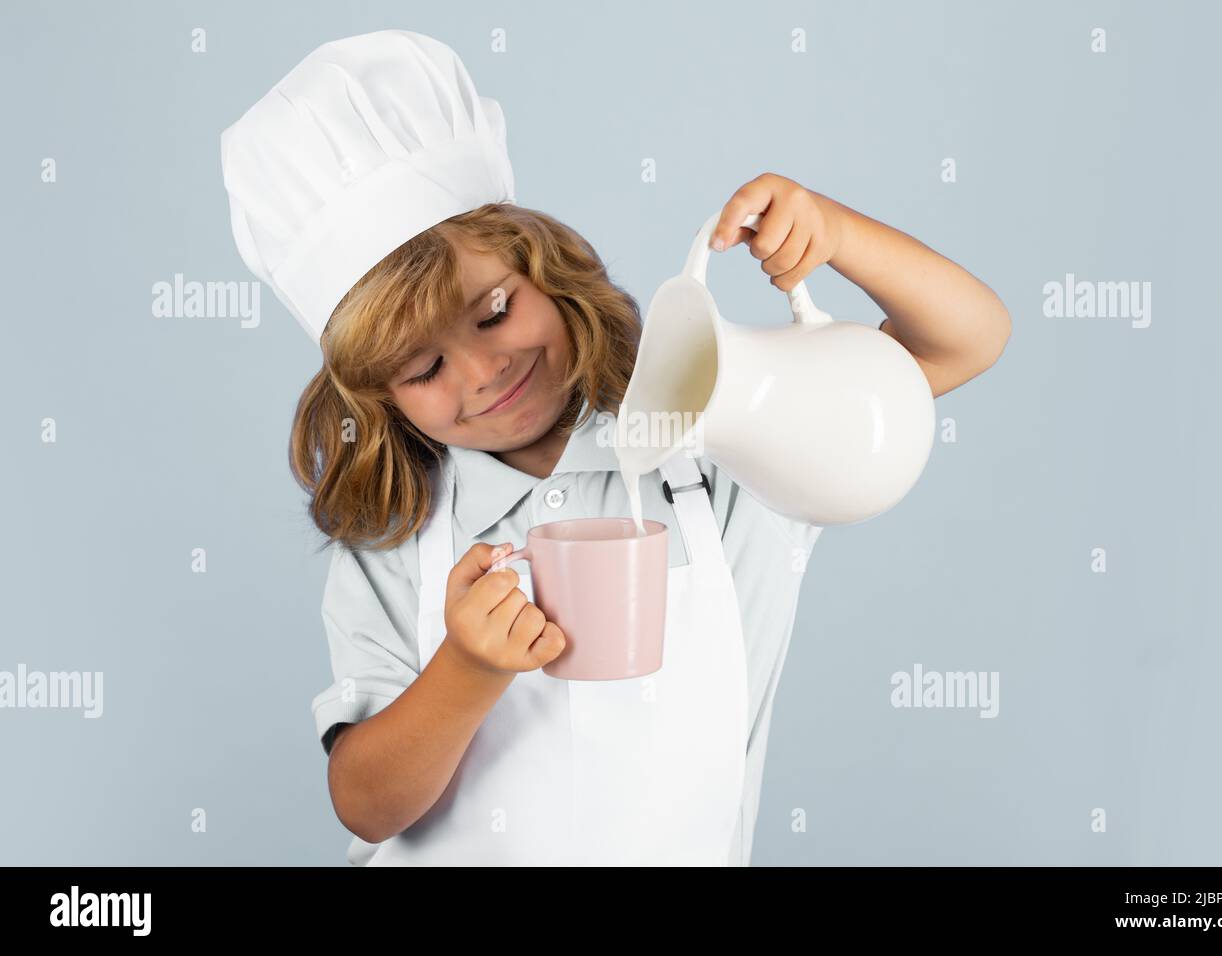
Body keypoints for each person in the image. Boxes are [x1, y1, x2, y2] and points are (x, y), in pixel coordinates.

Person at [220, 29, 1010, 867]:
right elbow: (368, 804)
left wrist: (834, 233)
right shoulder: (400, 531)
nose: (484, 371)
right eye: (424, 368)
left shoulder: (721, 445)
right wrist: (467, 670)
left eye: (493, 312)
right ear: (377, 398)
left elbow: (966, 339)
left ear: (548, 270)